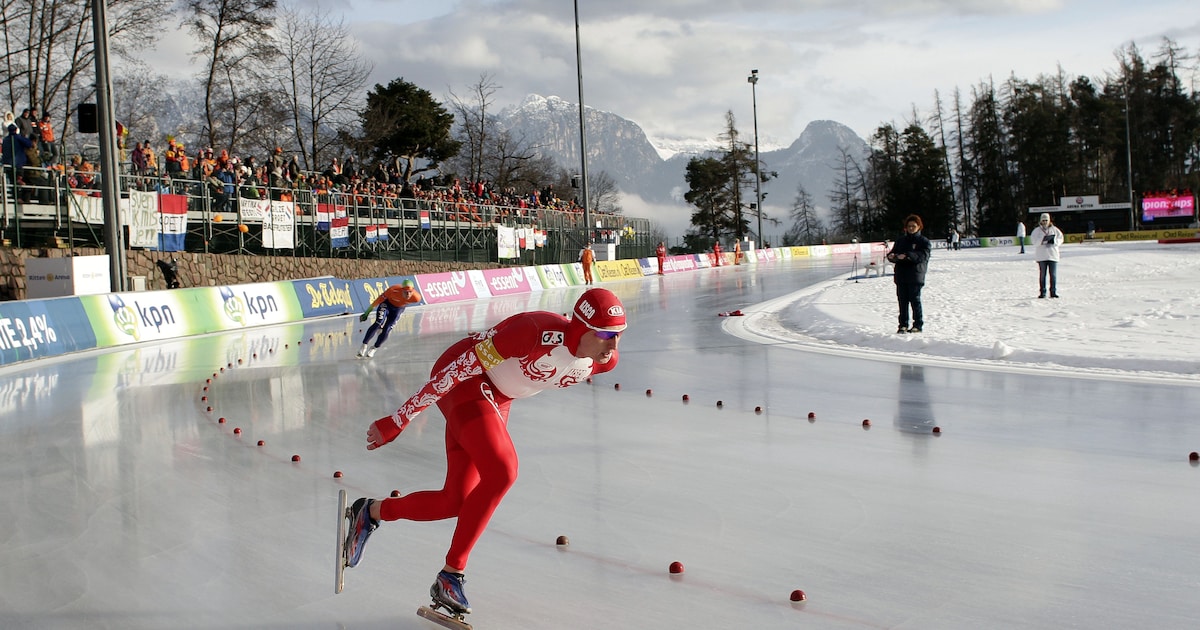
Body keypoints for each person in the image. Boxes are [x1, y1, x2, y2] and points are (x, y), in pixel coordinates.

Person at [345, 287, 626, 619]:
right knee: (503, 470)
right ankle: (451, 574)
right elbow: (456, 371)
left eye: (620, 334)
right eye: (607, 334)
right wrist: (399, 418)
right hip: (466, 378)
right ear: (580, 327)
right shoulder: (534, 334)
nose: (614, 345)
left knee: (455, 501)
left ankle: (371, 512)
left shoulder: (602, 363)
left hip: (497, 397)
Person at [886, 214, 932, 333]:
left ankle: (918, 324)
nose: (911, 228)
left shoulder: (923, 241)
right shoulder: (901, 240)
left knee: (915, 300)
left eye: (913, 226)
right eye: (909, 226)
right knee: (902, 301)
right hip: (901, 276)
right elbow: (893, 253)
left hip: (915, 275)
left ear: (919, 227)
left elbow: (922, 256)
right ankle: (903, 324)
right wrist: (892, 257)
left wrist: (907, 256)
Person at [357, 280, 423, 358]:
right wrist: (366, 313)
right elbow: (377, 301)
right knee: (378, 322)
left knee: (387, 329)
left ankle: (375, 348)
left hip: (398, 309)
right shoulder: (393, 290)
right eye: (405, 292)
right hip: (387, 305)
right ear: (402, 290)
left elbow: (405, 302)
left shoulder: (416, 298)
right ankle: (364, 345)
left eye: (410, 292)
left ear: (413, 291)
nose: (408, 294)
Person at [1031, 212, 1063, 298]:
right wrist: (1042, 239)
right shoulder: (1037, 231)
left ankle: (1053, 292)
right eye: (1043, 220)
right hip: (1041, 256)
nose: (1045, 222)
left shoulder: (1055, 230)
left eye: (1046, 220)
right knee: (1042, 275)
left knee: (1053, 275)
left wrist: (1054, 241)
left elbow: (1060, 239)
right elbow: (1034, 242)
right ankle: (1042, 292)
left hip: (1052, 255)